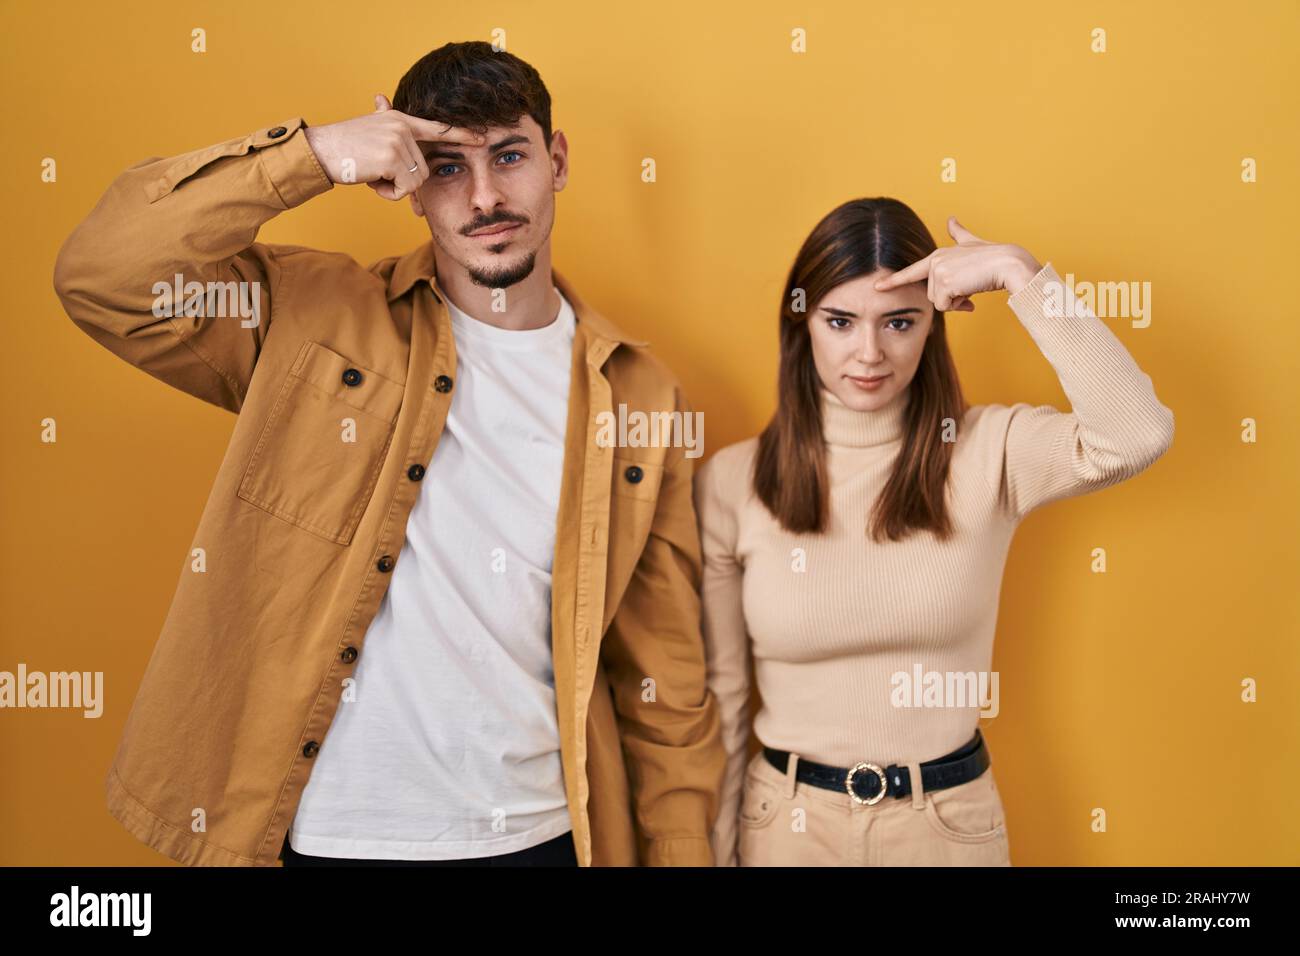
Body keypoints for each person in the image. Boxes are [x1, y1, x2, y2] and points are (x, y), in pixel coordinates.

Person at [52, 41, 723, 867]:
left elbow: (666, 682)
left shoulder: (643, 397)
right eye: (445, 167)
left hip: (541, 837)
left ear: (556, 161)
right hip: (334, 835)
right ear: (406, 180)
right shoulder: (313, 314)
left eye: (509, 157)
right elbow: (105, 273)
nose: (484, 197)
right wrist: (316, 156)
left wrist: (683, 850)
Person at [695, 198, 1174, 866]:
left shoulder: (989, 451)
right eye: (840, 321)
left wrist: (1020, 274)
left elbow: (1136, 434)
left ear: (932, 328)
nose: (869, 353)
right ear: (802, 325)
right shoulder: (731, 482)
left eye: (899, 322)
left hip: (946, 827)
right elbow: (722, 707)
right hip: (785, 827)